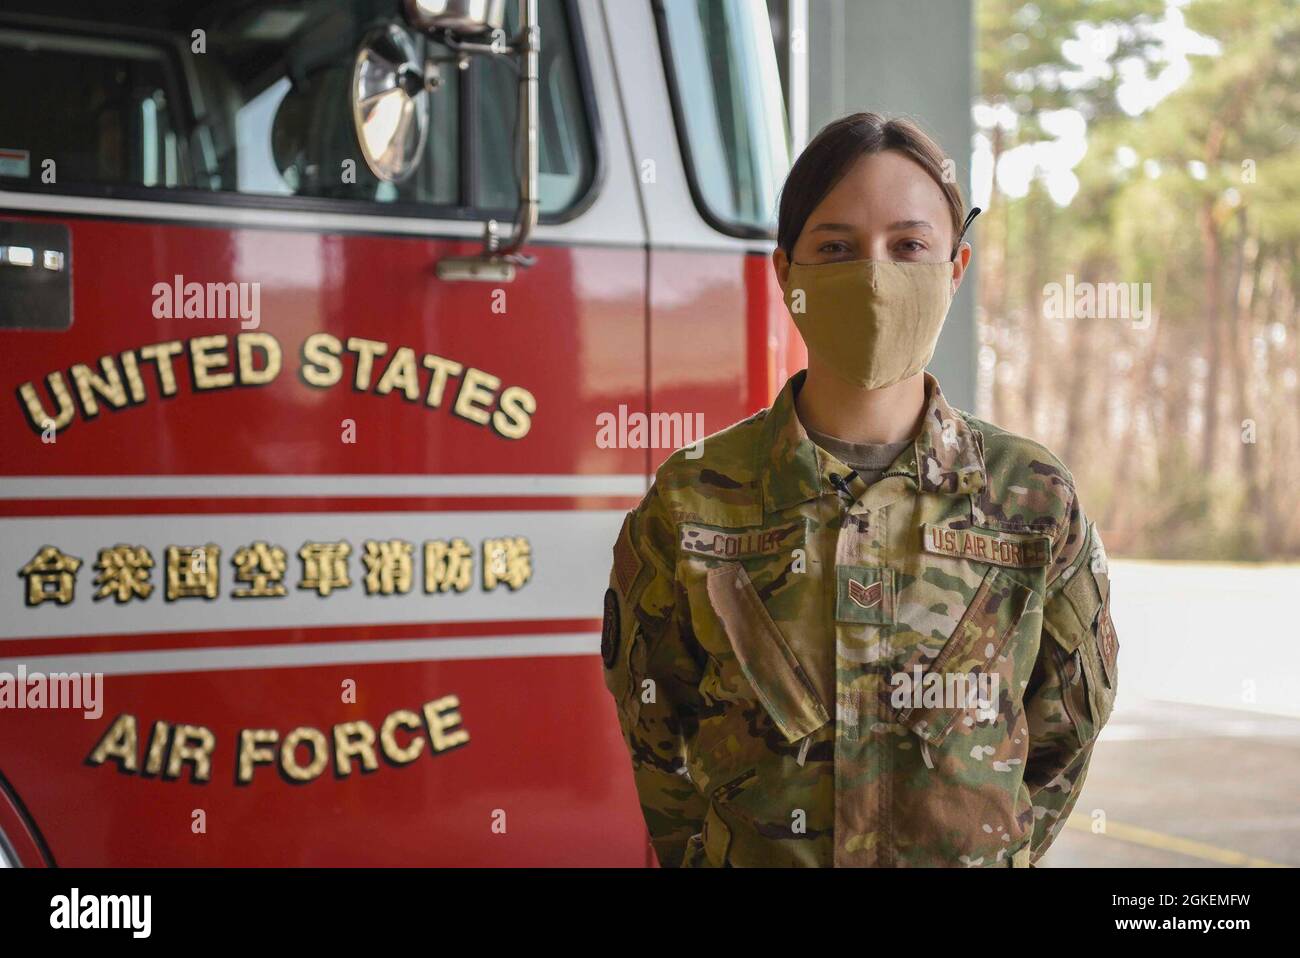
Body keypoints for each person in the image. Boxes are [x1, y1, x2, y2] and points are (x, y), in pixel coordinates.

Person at [600, 112, 1118, 868]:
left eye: (908, 247)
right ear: (787, 274)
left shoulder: (1032, 497)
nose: (874, 278)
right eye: (836, 248)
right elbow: (656, 733)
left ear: (955, 268)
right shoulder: (693, 499)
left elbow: (1065, 731)